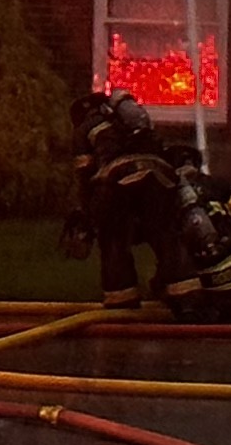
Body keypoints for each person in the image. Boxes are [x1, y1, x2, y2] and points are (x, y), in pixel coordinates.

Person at [65, 91, 199, 308]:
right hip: (159, 177)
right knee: (165, 235)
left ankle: (122, 300)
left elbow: (85, 176)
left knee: (113, 238)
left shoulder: (85, 129)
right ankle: (188, 297)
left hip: (115, 181)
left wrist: (89, 214)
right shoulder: (132, 123)